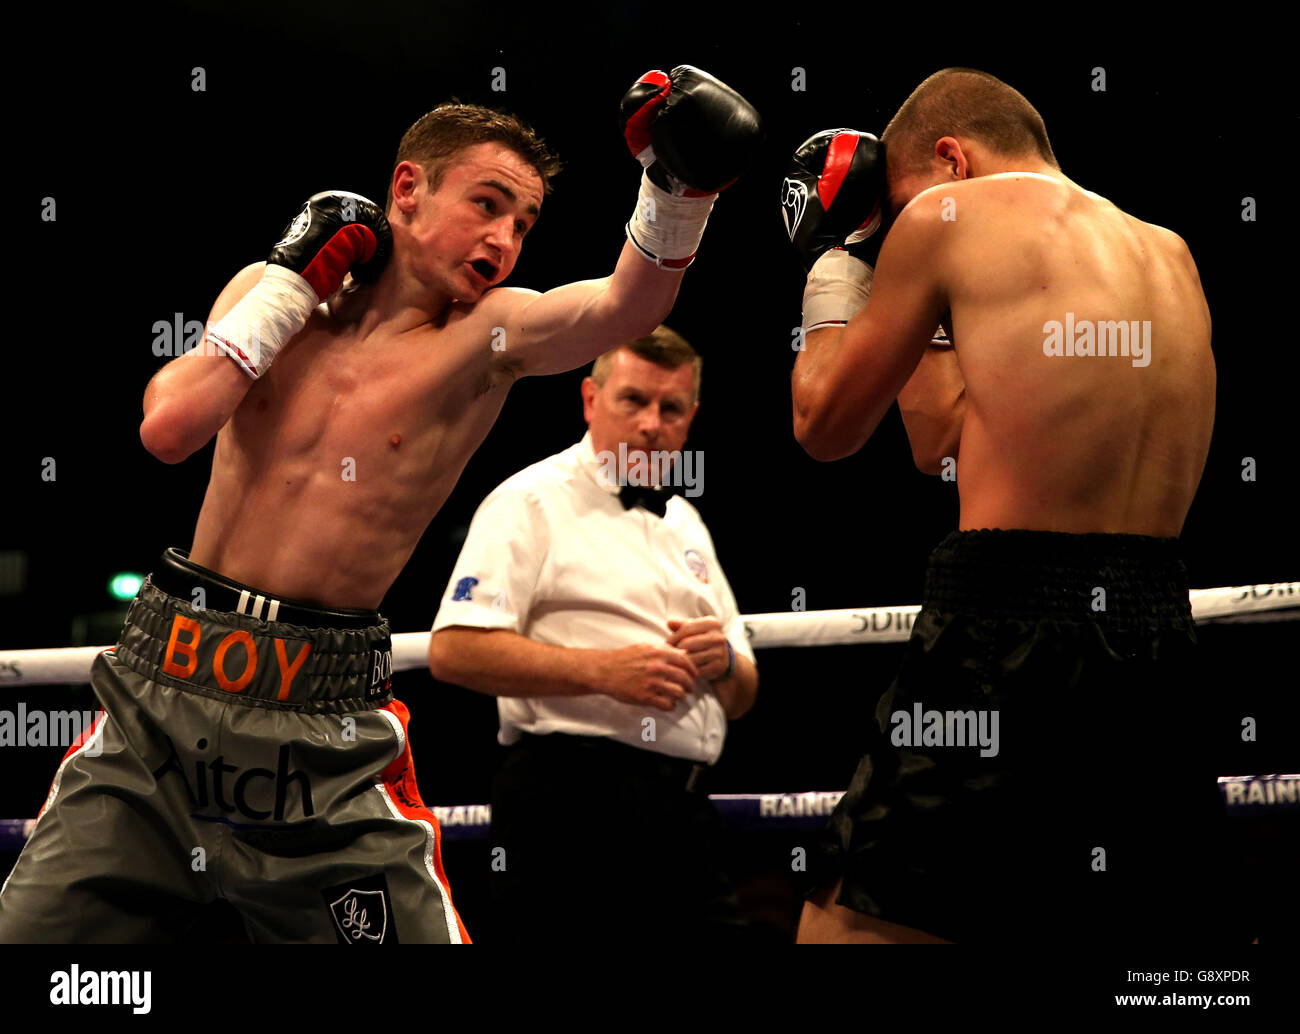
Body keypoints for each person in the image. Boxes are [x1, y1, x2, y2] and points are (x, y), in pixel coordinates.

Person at [0, 67, 761, 943]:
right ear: (407, 189)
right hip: (163, 688)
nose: (505, 239)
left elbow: (629, 303)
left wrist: (679, 188)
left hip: (321, 715)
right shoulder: (274, 292)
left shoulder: (488, 337)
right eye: (486, 205)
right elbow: (170, 426)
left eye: (523, 223)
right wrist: (289, 285)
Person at [784, 68, 1243, 943]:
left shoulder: (943, 219)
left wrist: (837, 268)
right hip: (1155, 634)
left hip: (1003, 619)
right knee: (1164, 955)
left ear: (950, 159)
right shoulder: (1168, 251)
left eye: (907, 195)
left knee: (851, 929)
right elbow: (938, 441)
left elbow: (824, 425)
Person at [428, 327, 759, 943]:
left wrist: (726, 666)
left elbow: (743, 694)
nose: (652, 424)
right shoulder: (530, 501)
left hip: (683, 811)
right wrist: (601, 672)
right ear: (589, 400)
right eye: (634, 400)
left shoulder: (686, 521)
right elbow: (453, 650)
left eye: (671, 408)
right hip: (569, 804)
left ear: (692, 419)